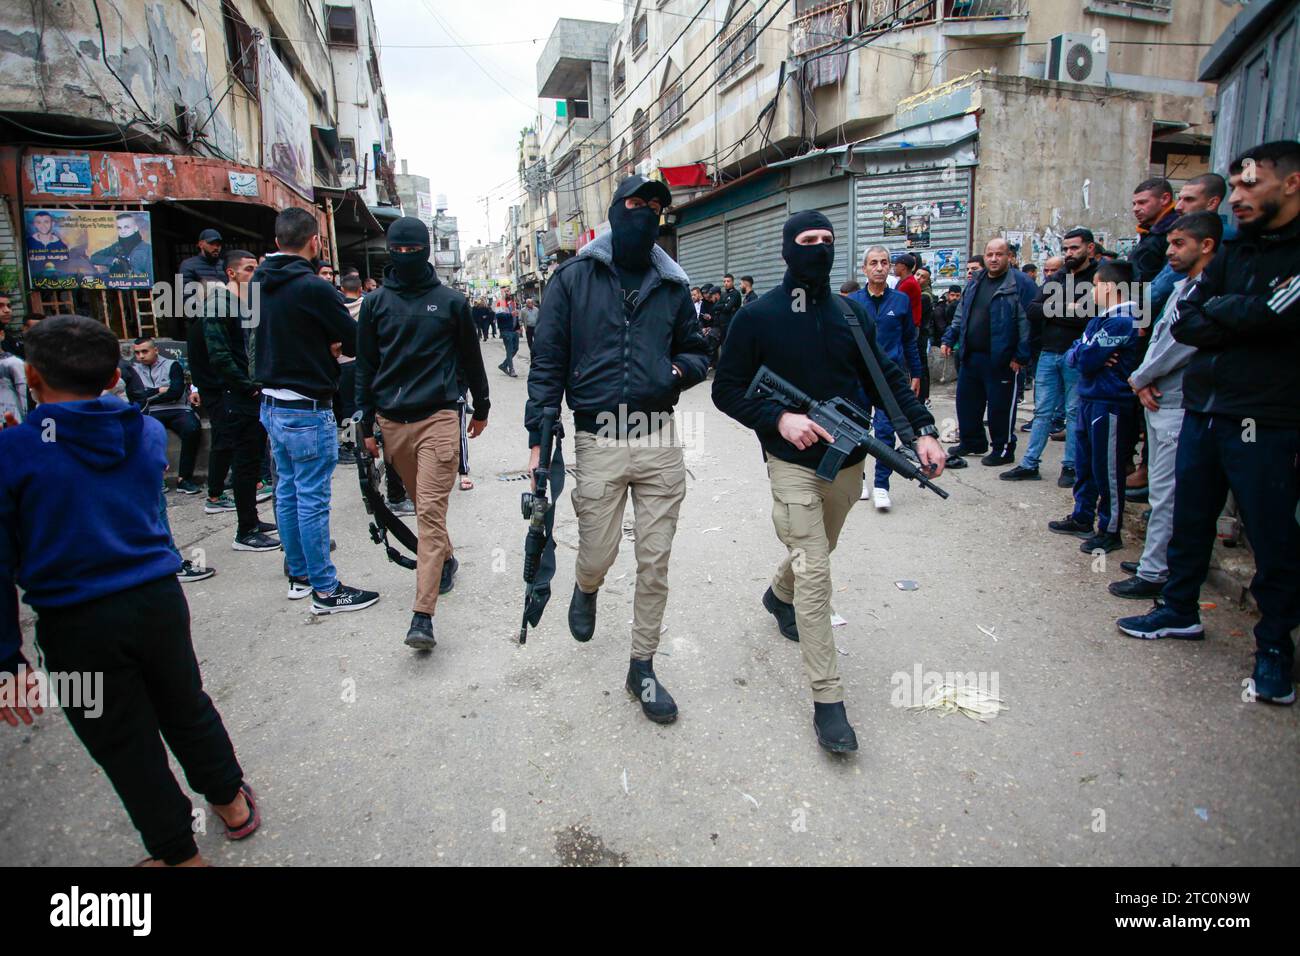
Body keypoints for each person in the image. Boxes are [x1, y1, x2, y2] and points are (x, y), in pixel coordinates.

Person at [0, 315, 258, 866]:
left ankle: (178, 854)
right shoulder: (141, 433)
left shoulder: (15, 451)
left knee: (124, 743)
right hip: (156, 600)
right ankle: (232, 803)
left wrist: (7, 657)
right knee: (187, 706)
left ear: (35, 379)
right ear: (114, 377)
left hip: (74, 621)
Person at [713, 211, 944, 754]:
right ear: (787, 249)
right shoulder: (757, 316)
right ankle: (828, 700)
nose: (817, 249)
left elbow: (886, 380)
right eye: (806, 241)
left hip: (846, 462)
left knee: (818, 549)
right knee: (816, 571)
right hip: (790, 462)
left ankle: (777, 595)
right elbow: (727, 389)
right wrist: (779, 419)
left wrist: (923, 433)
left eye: (826, 241)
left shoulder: (851, 314)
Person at [1117, 140, 1300, 706]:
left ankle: (1273, 648)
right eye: (1236, 187)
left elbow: (1273, 314)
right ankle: (1178, 609)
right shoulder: (1232, 253)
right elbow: (1188, 320)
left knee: (1271, 537)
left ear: (1291, 184)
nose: (1237, 197)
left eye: (1250, 186)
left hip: (1263, 418)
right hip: (1203, 411)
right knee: (1188, 519)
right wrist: (1235, 317)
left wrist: (1225, 316)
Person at [525, 174, 710, 725]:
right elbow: (548, 363)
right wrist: (539, 441)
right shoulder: (573, 277)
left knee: (654, 562)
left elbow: (698, 352)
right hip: (598, 438)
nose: (647, 212)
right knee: (598, 551)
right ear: (614, 209)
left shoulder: (673, 286)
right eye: (637, 203)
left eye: (656, 206)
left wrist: (674, 371)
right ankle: (586, 587)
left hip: (658, 439)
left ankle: (642, 666)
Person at [355, 217, 490, 649]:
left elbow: (472, 358)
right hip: (393, 424)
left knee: (429, 513)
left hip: (439, 419)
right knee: (423, 506)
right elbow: (365, 367)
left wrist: (482, 406)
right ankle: (444, 558)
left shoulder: (450, 302)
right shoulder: (375, 305)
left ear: (427, 250)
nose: (407, 257)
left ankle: (422, 615)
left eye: (414, 250)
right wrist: (364, 423)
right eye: (400, 250)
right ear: (391, 251)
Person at [254, 206, 378, 614]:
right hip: (306, 407)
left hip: (271, 403)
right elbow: (354, 339)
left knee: (288, 492)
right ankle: (325, 589)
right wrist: (333, 346)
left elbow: (254, 339)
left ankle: (300, 576)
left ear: (276, 243)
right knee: (309, 498)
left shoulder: (258, 280)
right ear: (315, 242)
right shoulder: (314, 287)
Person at [1110, 212, 1222, 600]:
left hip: (1176, 401)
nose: (1169, 252)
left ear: (1206, 245)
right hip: (1158, 397)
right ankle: (1153, 562)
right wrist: (1143, 378)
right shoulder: (1181, 287)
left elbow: (1180, 342)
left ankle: (1157, 571)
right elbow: (1158, 337)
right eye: (1170, 243)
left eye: (1179, 244)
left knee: (1169, 493)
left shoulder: (1207, 290)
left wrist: (1140, 377)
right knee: (1161, 490)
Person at [1047, 259, 1141, 554]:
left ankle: (1110, 529)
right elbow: (1076, 355)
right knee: (1085, 464)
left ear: (1110, 287)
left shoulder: (1123, 320)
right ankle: (1082, 516)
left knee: (1107, 469)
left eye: (1095, 286)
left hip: (1110, 402)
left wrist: (1087, 351)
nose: (1091, 293)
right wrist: (1087, 350)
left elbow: (1086, 358)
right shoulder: (1099, 320)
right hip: (1090, 397)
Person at [1002, 227, 1097, 485]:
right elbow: (1032, 309)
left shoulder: (1100, 277)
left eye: (1074, 248)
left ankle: (1070, 467)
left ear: (1090, 248)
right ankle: (1030, 463)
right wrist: (1070, 308)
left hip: (1077, 354)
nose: (1069, 253)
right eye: (1065, 249)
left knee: (1074, 413)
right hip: (1048, 353)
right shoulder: (1058, 278)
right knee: (1042, 412)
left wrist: (1054, 310)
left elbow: (1092, 313)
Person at [202, 249, 280, 552]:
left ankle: (252, 520)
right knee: (244, 463)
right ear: (231, 273)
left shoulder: (247, 303)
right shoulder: (219, 303)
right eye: (248, 269)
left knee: (252, 462)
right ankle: (245, 530)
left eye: (256, 268)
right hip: (237, 396)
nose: (254, 274)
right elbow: (220, 355)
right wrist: (248, 387)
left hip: (252, 393)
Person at [940, 238, 1035, 467]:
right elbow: (962, 313)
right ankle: (973, 442)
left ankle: (1003, 448)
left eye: (999, 254)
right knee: (967, 403)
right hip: (972, 355)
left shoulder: (1020, 283)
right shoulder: (976, 281)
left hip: (1002, 358)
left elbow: (1029, 322)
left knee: (999, 408)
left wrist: (1021, 356)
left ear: (1009, 257)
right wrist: (949, 337)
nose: (993, 259)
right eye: (989, 254)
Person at [849, 246, 922, 511]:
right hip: (858, 377)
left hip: (889, 377)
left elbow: (910, 341)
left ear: (890, 267)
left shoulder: (900, 301)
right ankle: (860, 479)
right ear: (865, 269)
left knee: (885, 432)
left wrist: (916, 373)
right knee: (856, 429)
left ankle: (882, 485)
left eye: (884, 263)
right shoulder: (854, 301)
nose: (879, 267)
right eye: (873, 263)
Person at [1146, 174, 1236, 322]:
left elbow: (1160, 289)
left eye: (1188, 200)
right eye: (1179, 198)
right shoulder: (1184, 233)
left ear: (1212, 203)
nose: (1179, 207)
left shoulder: (1223, 237)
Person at [124, 337, 202, 494]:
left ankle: (184, 479)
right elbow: (133, 397)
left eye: (145, 351)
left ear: (155, 350)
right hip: (150, 410)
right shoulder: (133, 369)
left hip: (177, 408)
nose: (141, 356)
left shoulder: (172, 365)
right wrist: (158, 390)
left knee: (192, 428)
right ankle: (158, 479)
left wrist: (146, 394)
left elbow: (175, 392)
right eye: (137, 353)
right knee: (143, 432)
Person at [1127, 177, 1179, 285]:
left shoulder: (1175, 232)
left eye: (1142, 202)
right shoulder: (1149, 233)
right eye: (1134, 204)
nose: (1135, 209)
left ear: (1165, 199)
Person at [89, 212, 152, 276]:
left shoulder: (147, 249)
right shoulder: (117, 246)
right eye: (119, 228)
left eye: (126, 227)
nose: (123, 231)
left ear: (136, 228)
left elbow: (151, 278)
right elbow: (93, 258)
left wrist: (129, 271)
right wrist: (113, 260)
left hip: (137, 285)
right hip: (115, 283)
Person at [495, 300, 520, 376]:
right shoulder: (500, 303)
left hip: (514, 330)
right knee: (509, 350)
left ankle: (503, 365)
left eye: (509, 290)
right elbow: (499, 316)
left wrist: (518, 327)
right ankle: (511, 369)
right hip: (506, 331)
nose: (508, 292)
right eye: (506, 291)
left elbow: (516, 316)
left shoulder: (513, 303)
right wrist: (510, 314)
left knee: (515, 348)